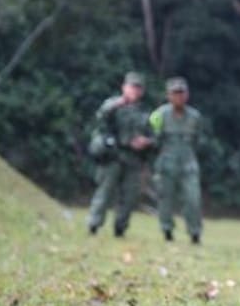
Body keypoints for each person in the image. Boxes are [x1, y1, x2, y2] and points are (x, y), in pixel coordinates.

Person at [86, 71, 153, 237]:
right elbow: (101, 116)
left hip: (134, 158)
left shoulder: (144, 113)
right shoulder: (113, 105)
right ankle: (94, 224)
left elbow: (153, 135)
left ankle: (120, 227)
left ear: (142, 91)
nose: (134, 91)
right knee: (105, 191)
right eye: (131, 87)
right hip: (113, 155)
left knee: (130, 196)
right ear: (124, 87)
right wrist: (120, 102)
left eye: (138, 88)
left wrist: (146, 141)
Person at [149, 77, 207, 244]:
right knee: (165, 198)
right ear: (169, 95)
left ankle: (195, 232)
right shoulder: (160, 115)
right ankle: (167, 230)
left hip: (188, 163)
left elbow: (198, 140)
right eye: (175, 93)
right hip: (166, 163)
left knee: (193, 198)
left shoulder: (195, 117)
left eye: (181, 93)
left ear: (187, 95)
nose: (179, 97)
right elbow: (154, 140)